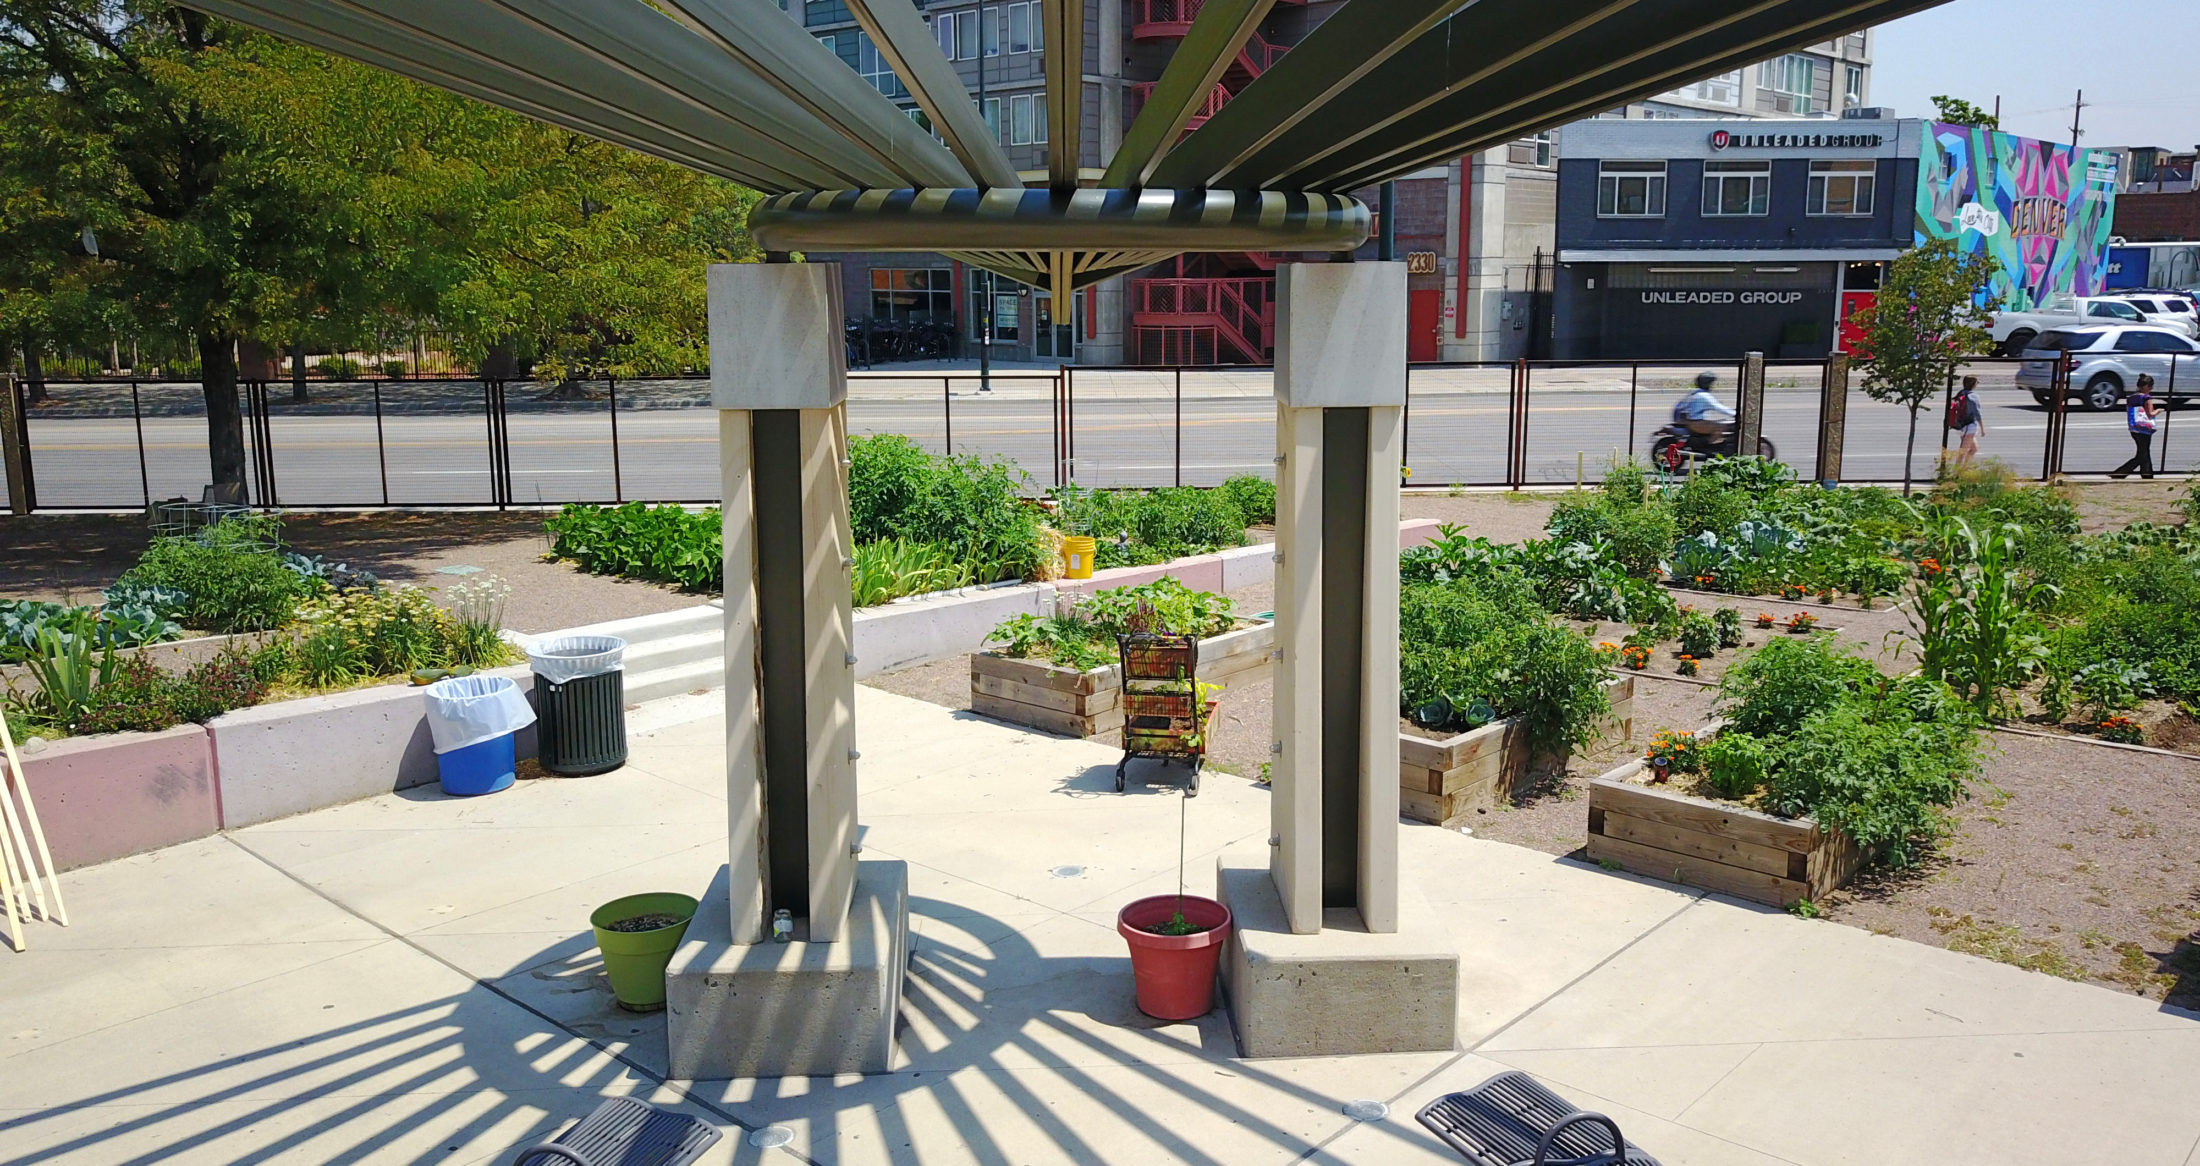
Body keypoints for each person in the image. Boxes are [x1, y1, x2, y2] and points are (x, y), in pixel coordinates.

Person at [2111, 374, 2161, 479]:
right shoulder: (2147, 398)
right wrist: (2159, 410)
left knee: (2143, 451)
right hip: (2144, 429)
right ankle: (2120, 473)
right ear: (2147, 386)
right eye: (2150, 386)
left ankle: (2147, 474)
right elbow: (2150, 414)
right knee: (2143, 453)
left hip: (2134, 428)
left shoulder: (2131, 398)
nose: (2151, 388)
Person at [1673, 371, 1737, 452]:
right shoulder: (1704, 396)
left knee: (1721, 422)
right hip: (1696, 423)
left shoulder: (1696, 393)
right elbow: (1718, 407)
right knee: (1721, 427)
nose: (1712, 386)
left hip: (1692, 422)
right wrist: (1735, 414)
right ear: (1707, 384)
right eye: (1711, 383)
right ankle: (1710, 450)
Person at [1949, 375, 1984, 465]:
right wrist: (1982, 429)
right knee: (1963, 451)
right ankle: (1958, 473)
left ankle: (1965, 468)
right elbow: (1977, 413)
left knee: (1974, 449)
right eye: (1976, 383)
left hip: (1962, 425)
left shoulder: (1961, 393)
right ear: (1973, 384)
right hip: (1969, 426)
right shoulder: (1973, 396)